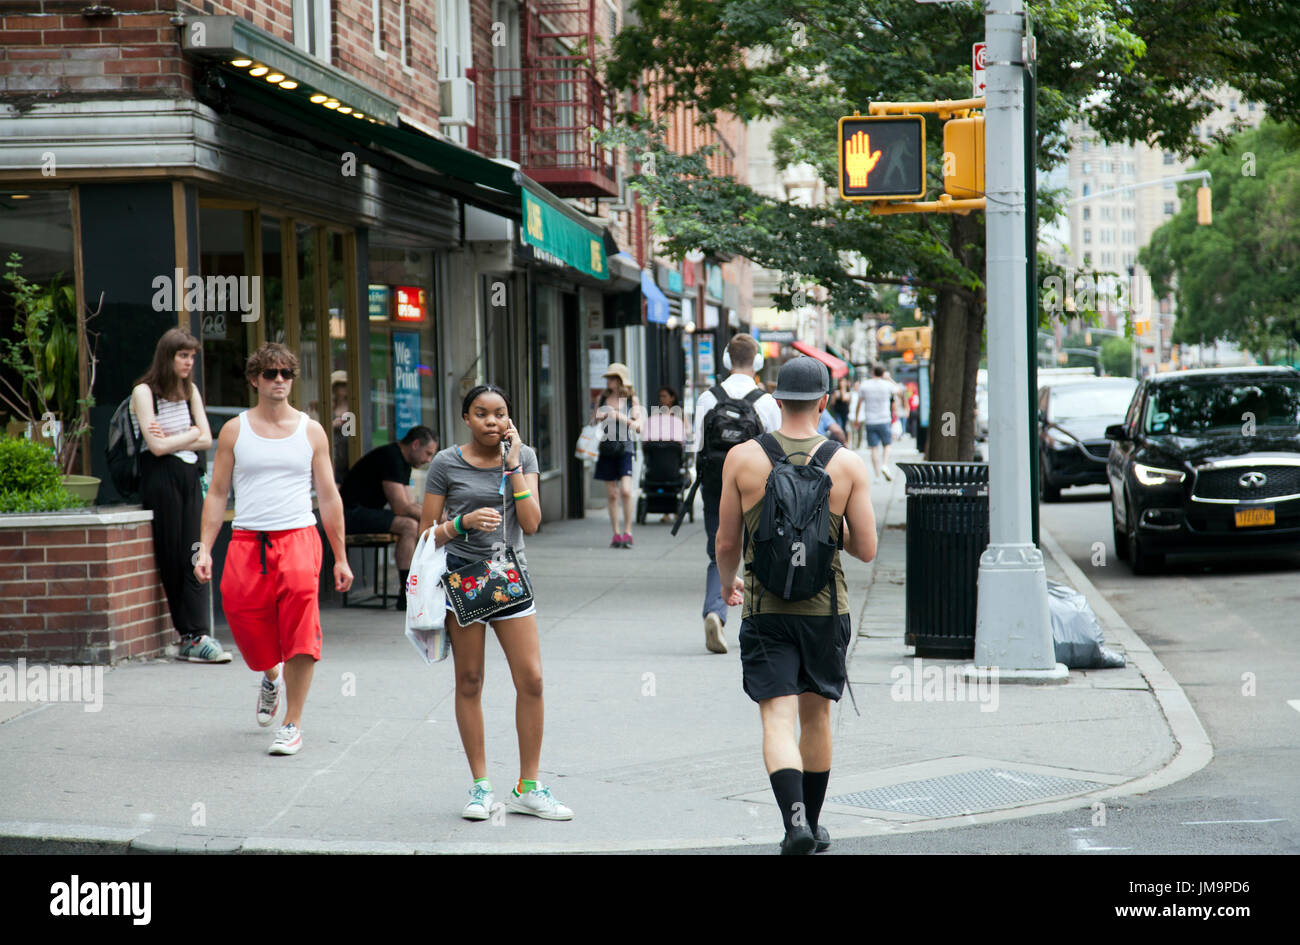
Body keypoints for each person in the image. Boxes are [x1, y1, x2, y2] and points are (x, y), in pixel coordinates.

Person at [714, 356, 877, 854]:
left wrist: (727, 584)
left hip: (766, 611)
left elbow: (725, 541)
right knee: (817, 719)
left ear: (776, 400)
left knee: (776, 720)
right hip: (826, 612)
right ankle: (816, 823)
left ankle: (795, 824)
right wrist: (828, 527)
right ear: (824, 402)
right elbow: (866, 549)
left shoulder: (742, 458)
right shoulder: (846, 463)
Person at [420, 384, 573, 822]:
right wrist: (460, 524)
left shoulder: (522, 459)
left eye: (500, 413)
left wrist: (512, 467)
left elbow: (532, 522)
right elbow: (426, 532)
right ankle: (481, 786)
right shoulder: (446, 463)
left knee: (533, 680)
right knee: (469, 680)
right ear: (466, 418)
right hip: (464, 580)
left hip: (509, 578)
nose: (492, 421)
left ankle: (528, 786)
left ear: (510, 419)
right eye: (482, 414)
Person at [194, 343, 353, 756]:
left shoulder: (311, 430)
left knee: (301, 628)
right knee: (241, 613)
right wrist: (206, 549)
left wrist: (340, 556)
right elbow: (216, 493)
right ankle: (270, 675)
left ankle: (292, 722)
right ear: (254, 380)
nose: (279, 380)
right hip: (248, 540)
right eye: (270, 373)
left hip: (299, 537)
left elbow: (329, 496)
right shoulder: (235, 430)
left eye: (286, 373)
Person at [131, 328, 230, 663]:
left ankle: (199, 633)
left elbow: (206, 439)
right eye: (183, 356)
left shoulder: (190, 391)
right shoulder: (145, 392)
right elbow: (156, 447)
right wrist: (189, 433)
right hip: (161, 478)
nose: (189, 363)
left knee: (195, 551)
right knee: (175, 554)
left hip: (189, 475)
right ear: (167, 357)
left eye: (192, 356)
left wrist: (182, 435)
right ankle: (190, 634)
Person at [692, 333, 780, 654]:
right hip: (758, 484)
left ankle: (715, 611)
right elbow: (777, 449)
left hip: (716, 482)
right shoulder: (765, 401)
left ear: (727, 360)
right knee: (759, 551)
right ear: (757, 362)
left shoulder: (707, 398)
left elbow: (697, 446)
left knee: (720, 547)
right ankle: (759, 626)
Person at [339, 425, 439, 607]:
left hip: (365, 512)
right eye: (428, 453)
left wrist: (433, 518)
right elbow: (402, 507)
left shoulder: (403, 461)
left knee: (417, 523)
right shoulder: (391, 457)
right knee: (409, 525)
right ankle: (406, 593)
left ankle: (417, 585)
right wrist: (437, 519)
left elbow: (410, 504)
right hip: (349, 515)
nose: (429, 460)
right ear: (415, 444)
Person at [591, 363, 644, 548]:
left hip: (625, 447)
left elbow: (639, 426)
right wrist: (601, 415)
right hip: (606, 447)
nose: (609, 381)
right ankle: (616, 533)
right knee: (612, 494)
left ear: (620, 380)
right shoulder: (603, 397)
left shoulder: (631, 399)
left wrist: (620, 417)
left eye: (613, 378)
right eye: (608, 378)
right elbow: (593, 421)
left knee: (626, 491)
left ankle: (628, 531)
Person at [859, 365, 898, 481]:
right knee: (887, 445)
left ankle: (876, 475)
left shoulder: (865, 385)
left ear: (872, 373)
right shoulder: (887, 385)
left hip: (870, 420)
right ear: (883, 374)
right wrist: (889, 379)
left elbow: (859, 403)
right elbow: (899, 390)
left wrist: (857, 418)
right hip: (884, 419)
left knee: (874, 448)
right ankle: (884, 465)